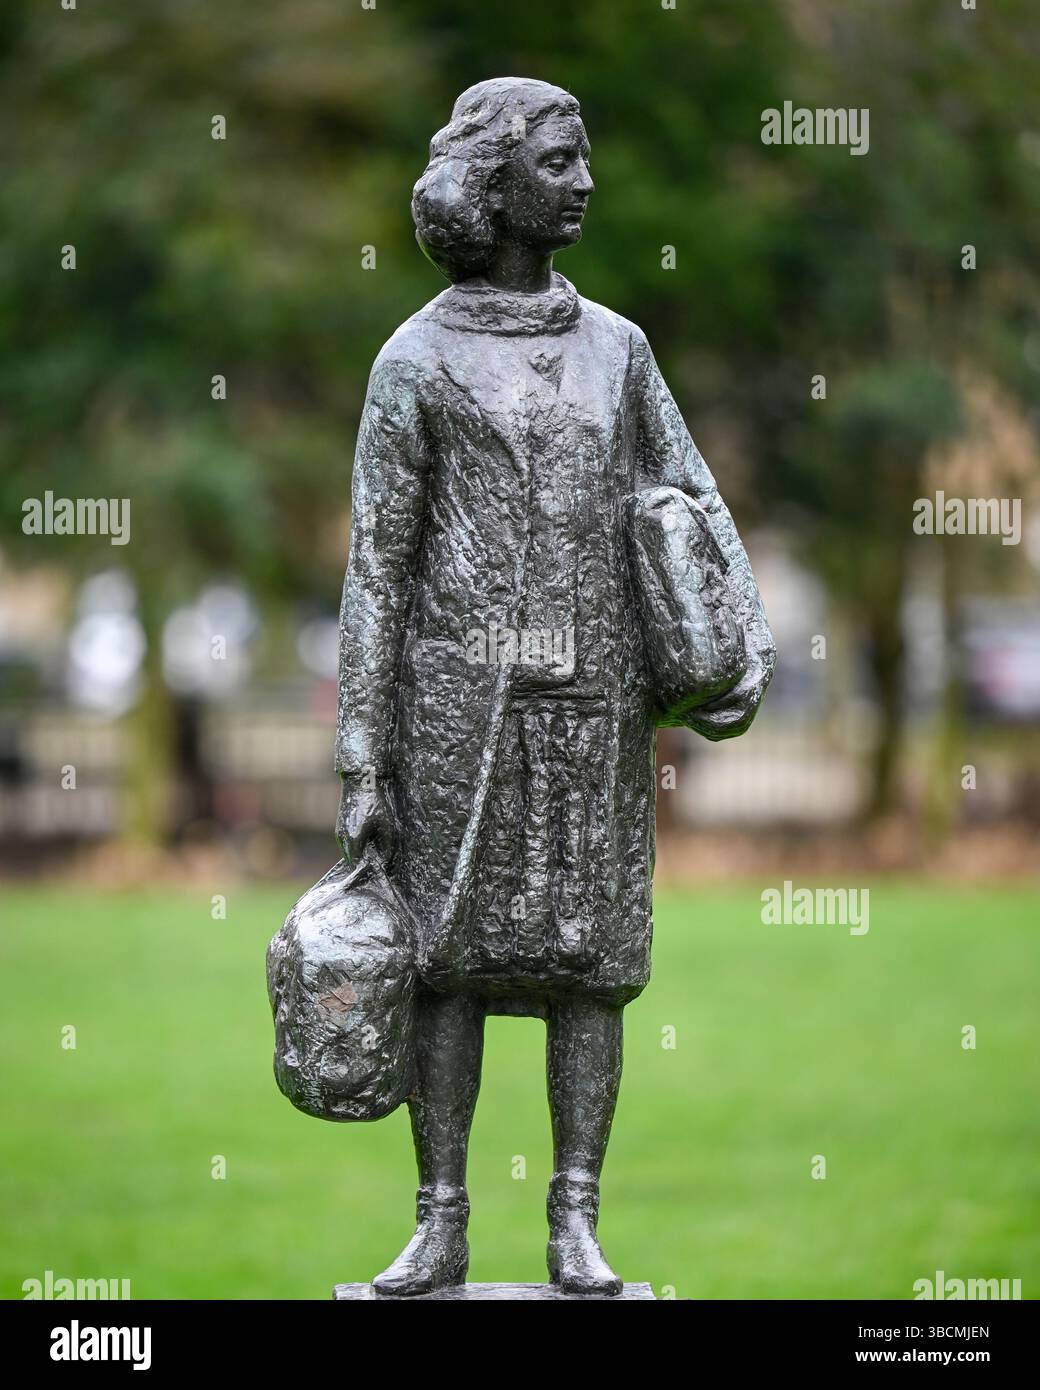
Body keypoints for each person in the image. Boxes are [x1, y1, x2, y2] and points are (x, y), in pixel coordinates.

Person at [335, 77, 775, 1296]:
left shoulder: (619, 351)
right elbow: (375, 568)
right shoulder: (412, 360)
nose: (585, 182)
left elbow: (696, 507)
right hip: (450, 717)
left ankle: (575, 1221)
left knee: (590, 964)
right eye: (562, 161)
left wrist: (738, 646)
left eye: (583, 160)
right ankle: (440, 1220)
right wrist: (361, 756)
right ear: (495, 179)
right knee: (445, 964)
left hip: (591, 710)